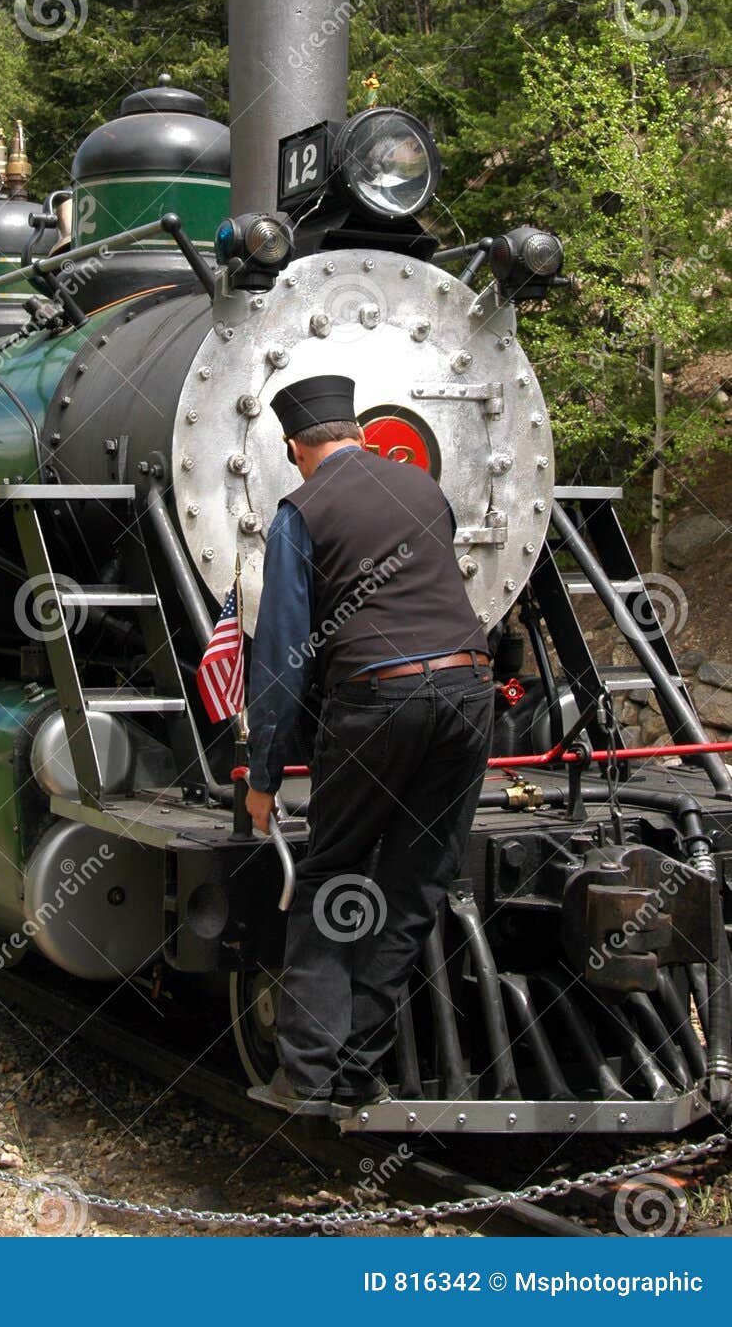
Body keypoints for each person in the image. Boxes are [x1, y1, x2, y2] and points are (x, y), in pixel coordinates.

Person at [245, 373, 494, 1120]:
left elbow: (285, 651)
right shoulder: (424, 491)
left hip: (378, 697)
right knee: (415, 883)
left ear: (296, 447)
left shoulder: (301, 508)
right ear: (359, 431)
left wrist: (264, 771)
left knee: (328, 876)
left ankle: (309, 1075)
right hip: (469, 689)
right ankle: (360, 1071)